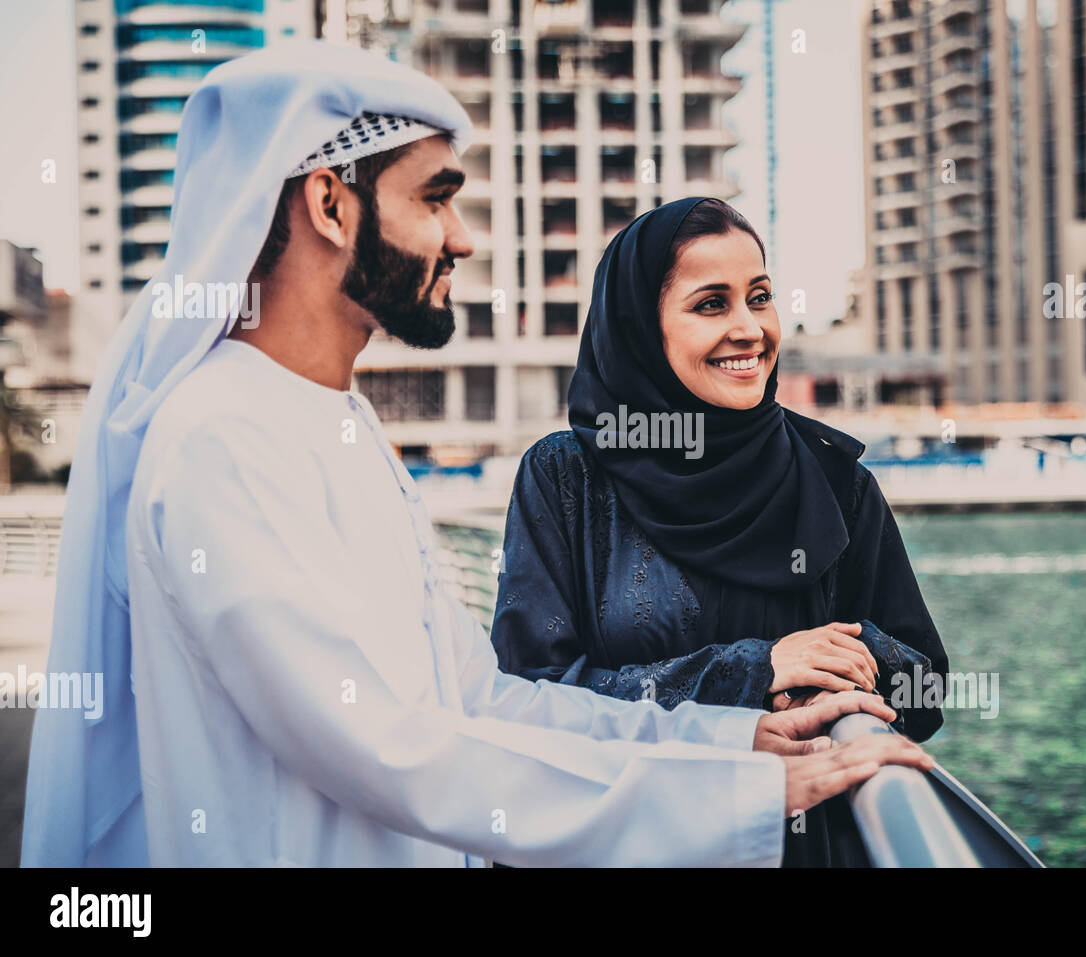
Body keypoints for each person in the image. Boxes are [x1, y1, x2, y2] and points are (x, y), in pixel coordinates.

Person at [20, 42, 934, 868]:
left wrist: (722, 745)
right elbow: (395, 752)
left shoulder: (333, 425)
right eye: (435, 199)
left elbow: (484, 703)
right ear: (330, 205)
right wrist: (741, 794)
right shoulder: (220, 441)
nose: (461, 237)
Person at [491, 197, 950, 867]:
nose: (749, 329)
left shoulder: (836, 481)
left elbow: (929, 688)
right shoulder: (566, 479)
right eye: (712, 304)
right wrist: (754, 671)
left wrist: (846, 664)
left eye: (759, 298)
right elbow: (528, 699)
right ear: (641, 327)